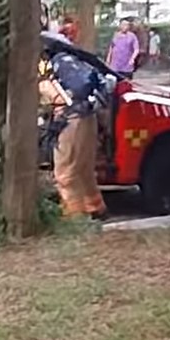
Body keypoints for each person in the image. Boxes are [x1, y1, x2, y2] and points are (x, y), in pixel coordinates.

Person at [38, 50, 114, 219]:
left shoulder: (45, 70)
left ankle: (75, 218)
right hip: (88, 117)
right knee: (84, 169)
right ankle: (96, 208)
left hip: (70, 121)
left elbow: (48, 100)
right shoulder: (70, 64)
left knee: (65, 174)